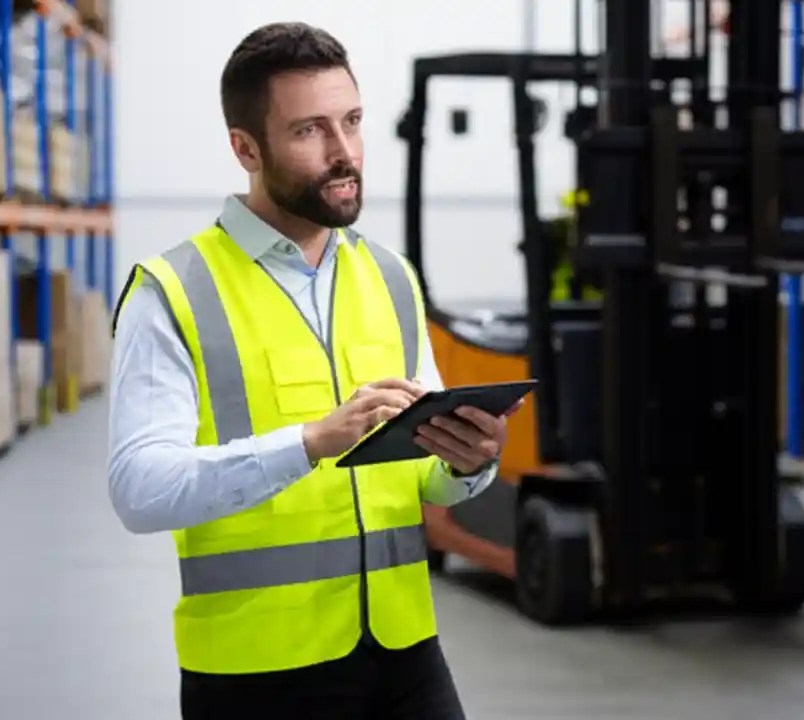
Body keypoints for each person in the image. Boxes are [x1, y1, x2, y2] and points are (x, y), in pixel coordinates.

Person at [106, 21, 515, 719]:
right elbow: (139, 491)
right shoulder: (172, 291)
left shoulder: (389, 278)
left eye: (352, 122)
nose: (345, 152)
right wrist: (310, 443)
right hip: (256, 671)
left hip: (404, 652)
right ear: (246, 148)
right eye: (309, 132)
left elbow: (427, 474)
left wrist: (468, 461)